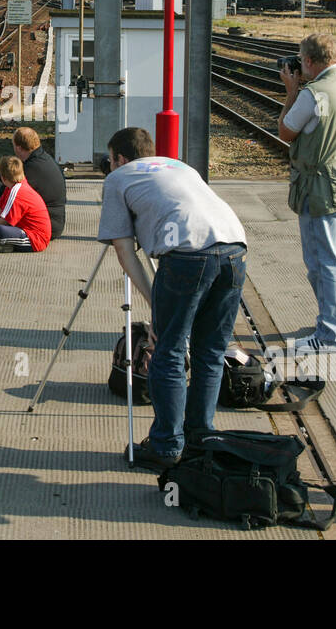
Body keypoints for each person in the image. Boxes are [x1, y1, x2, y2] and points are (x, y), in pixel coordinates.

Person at [97, 127, 249, 471]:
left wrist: (155, 304)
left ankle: (166, 446)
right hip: (235, 247)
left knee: (169, 351)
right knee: (209, 352)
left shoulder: (119, 177)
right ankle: (200, 437)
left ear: (119, 159)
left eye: (111, 159)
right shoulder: (179, 166)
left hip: (187, 255)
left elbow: (124, 251)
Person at [277, 33, 336, 356]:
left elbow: (286, 131)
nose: (299, 67)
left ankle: (330, 334)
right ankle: (334, 320)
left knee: (321, 262)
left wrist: (291, 92)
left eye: (301, 61)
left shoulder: (312, 95)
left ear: (312, 62)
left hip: (322, 189)